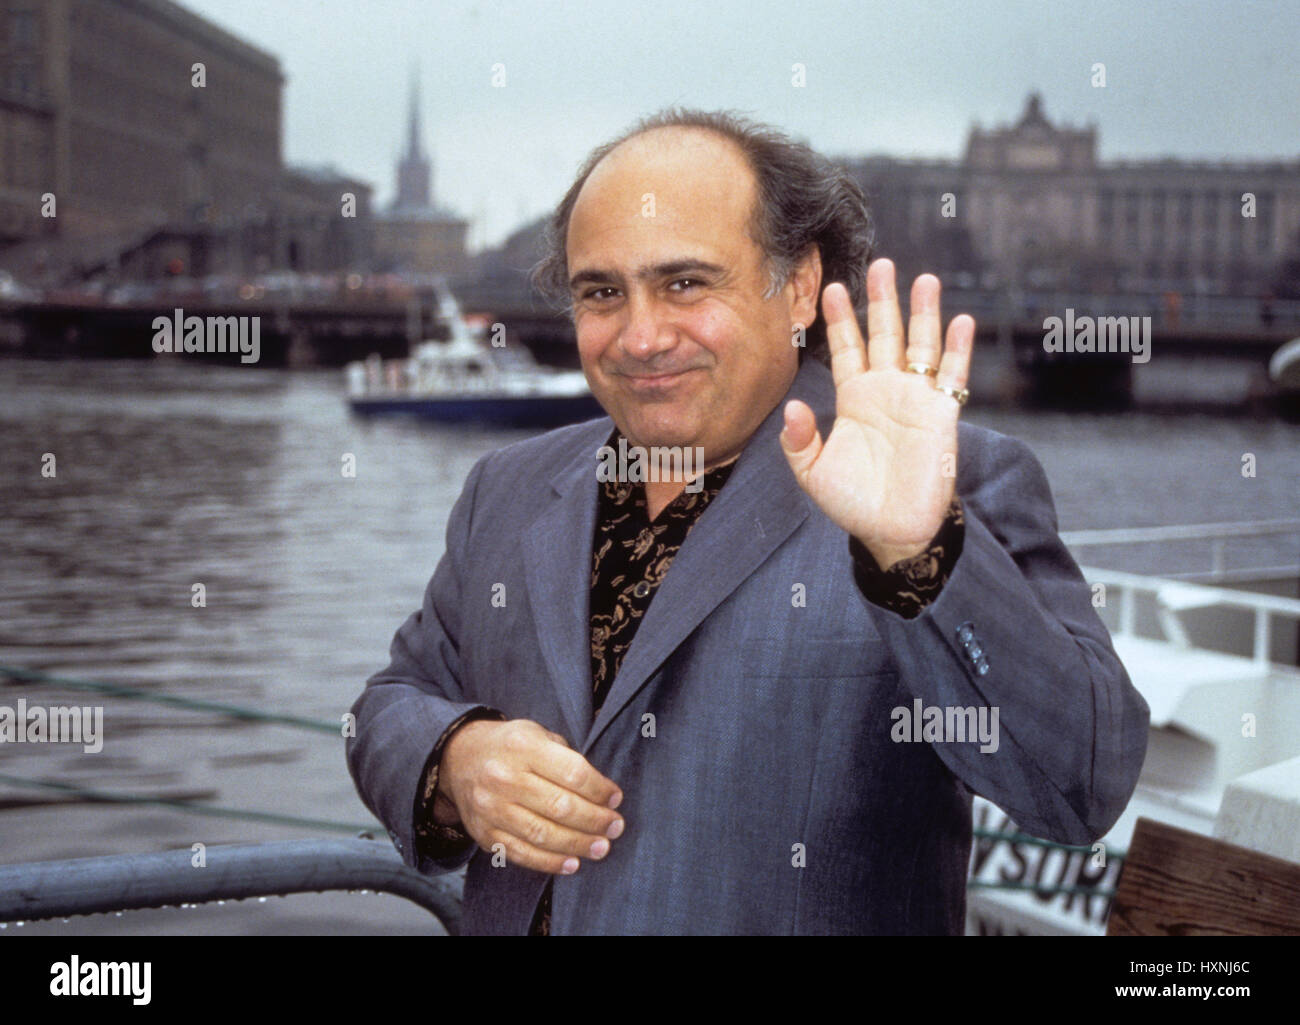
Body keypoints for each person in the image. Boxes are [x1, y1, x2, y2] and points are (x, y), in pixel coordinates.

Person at [345, 108, 1150, 935]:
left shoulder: (939, 476)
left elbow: (1081, 785)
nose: (642, 335)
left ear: (797, 285)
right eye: (601, 292)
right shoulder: (509, 486)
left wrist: (922, 555)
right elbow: (390, 700)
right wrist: (456, 759)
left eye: (686, 283)